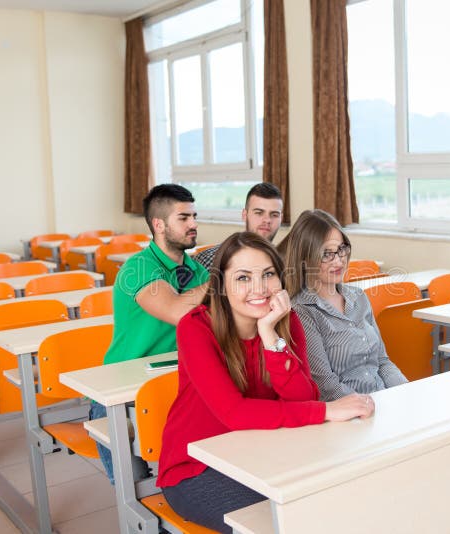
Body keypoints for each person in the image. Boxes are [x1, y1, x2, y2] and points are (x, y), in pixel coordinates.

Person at [158, 232, 374, 533]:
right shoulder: (195, 327)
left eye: (268, 274)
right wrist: (326, 411)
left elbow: (301, 398)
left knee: (342, 500)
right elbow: (235, 413)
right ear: (220, 285)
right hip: (197, 468)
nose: (259, 288)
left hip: (264, 454)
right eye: (243, 278)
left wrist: (270, 335)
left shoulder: (287, 320)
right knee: (288, 524)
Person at [91, 184, 210, 483]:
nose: (194, 224)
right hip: (122, 394)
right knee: (134, 486)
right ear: (159, 224)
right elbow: (176, 310)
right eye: (184, 218)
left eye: (194, 216)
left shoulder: (197, 272)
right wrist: (228, 276)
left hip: (175, 380)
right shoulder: (138, 268)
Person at [284, 209, 407, 402]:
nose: (339, 261)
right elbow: (327, 387)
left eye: (341, 249)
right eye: (326, 254)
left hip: (381, 400)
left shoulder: (359, 297)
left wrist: (407, 392)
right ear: (305, 260)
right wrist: (371, 406)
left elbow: (382, 362)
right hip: (348, 411)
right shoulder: (302, 311)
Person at [194, 182, 284, 270]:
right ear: (244, 215)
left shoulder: (284, 263)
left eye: (274, 215)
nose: (267, 220)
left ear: (281, 218)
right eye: (259, 213)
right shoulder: (211, 261)